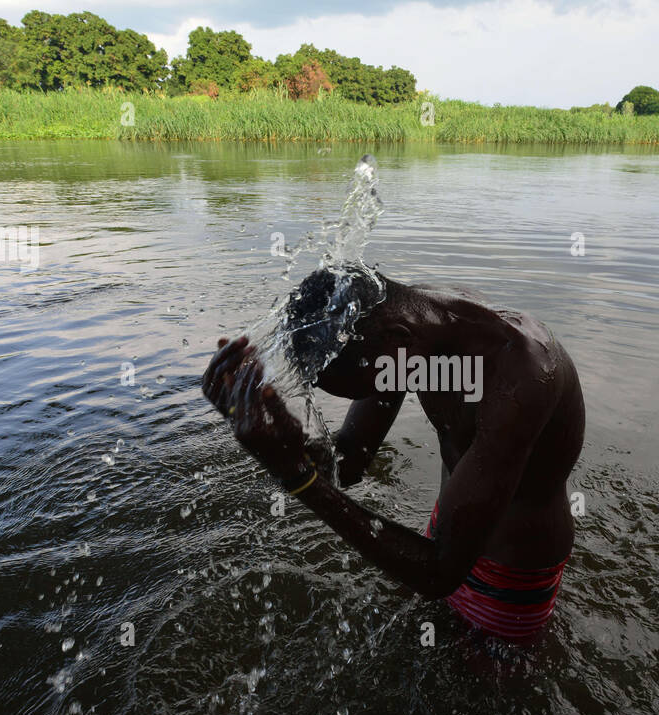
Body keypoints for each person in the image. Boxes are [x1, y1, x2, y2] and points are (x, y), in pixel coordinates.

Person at [202, 266, 584, 641]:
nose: (375, 392)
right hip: (448, 531)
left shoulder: (523, 377)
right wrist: (285, 439)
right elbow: (349, 462)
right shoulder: (406, 328)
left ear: (399, 345)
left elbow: (440, 573)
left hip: (510, 575)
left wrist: (296, 477)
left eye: (360, 387)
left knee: (485, 695)